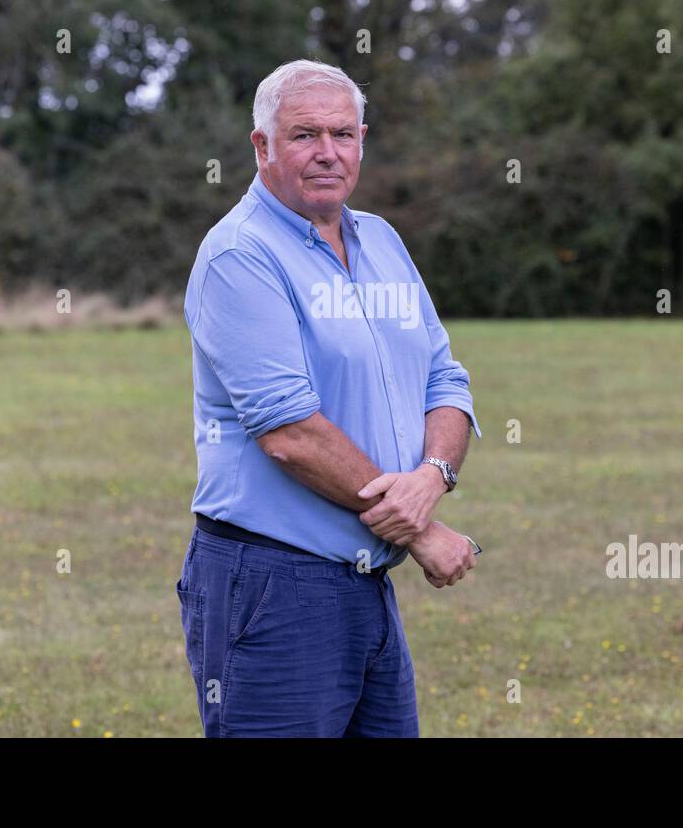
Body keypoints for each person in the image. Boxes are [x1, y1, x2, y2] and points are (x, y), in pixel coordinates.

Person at [176, 58, 481, 737]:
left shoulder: (383, 241)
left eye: (342, 134)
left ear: (362, 140)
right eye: (304, 135)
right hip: (272, 582)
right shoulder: (239, 256)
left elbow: (445, 380)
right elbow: (290, 431)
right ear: (261, 146)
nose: (327, 153)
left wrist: (433, 477)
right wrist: (421, 529)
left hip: (366, 584)